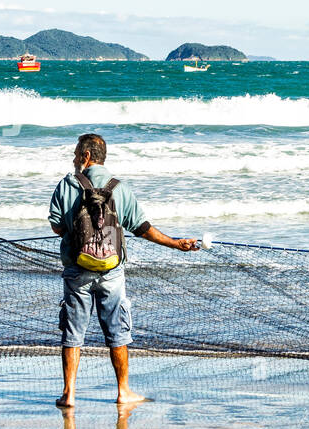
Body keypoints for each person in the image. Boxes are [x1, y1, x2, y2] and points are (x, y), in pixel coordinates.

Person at [48, 133, 199, 407]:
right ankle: (123, 391)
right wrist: (175, 244)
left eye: (75, 154)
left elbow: (57, 227)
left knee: (73, 332)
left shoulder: (67, 184)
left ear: (86, 156)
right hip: (111, 271)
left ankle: (69, 393)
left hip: (76, 269)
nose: (73, 158)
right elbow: (142, 228)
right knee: (117, 331)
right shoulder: (120, 188)